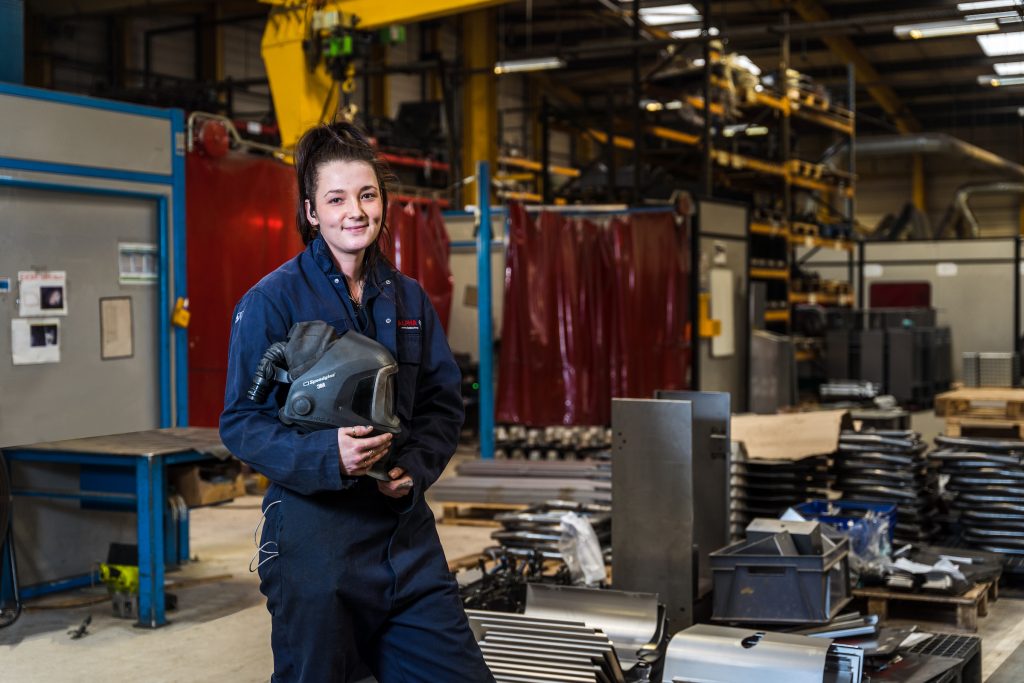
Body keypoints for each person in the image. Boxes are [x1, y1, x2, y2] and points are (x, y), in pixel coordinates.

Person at [220, 121, 494, 683]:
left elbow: (443, 405)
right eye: (337, 198)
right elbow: (242, 423)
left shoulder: (408, 297)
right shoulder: (272, 300)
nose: (356, 210)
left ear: (383, 204)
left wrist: (412, 471)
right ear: (312, 212)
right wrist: (330, 458)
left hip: (404, 542)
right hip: (315, 548)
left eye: (368, 195)